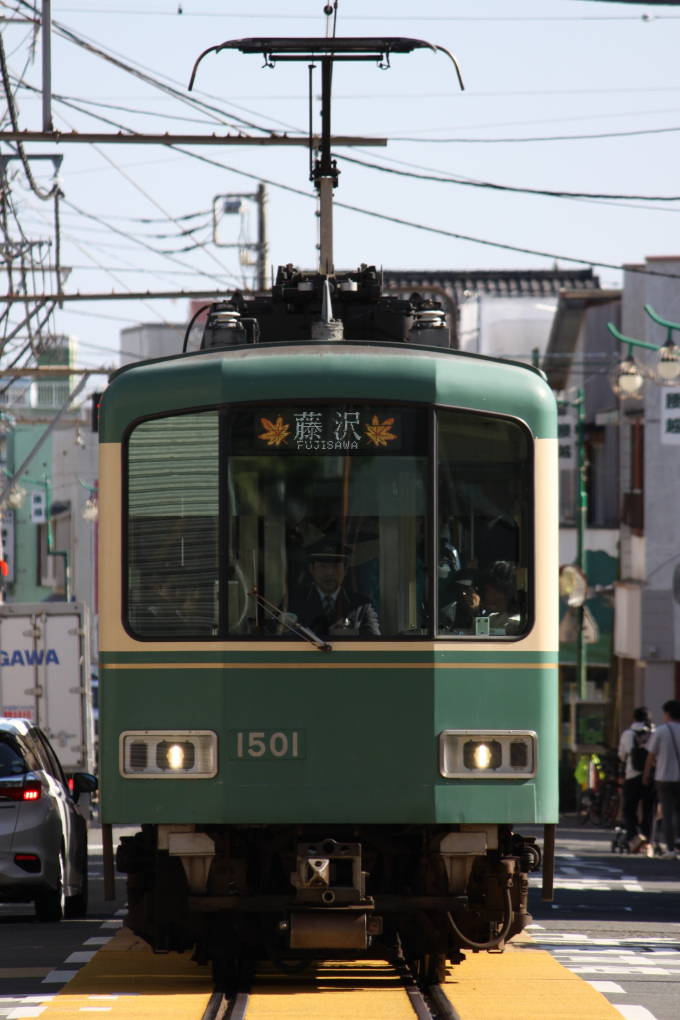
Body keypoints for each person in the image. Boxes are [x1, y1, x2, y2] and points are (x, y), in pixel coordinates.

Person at [285, 538, 380, 637]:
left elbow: (375, 645)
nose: (329, 573)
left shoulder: (362, 606)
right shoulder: (293, 602)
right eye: (322, 566)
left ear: (345, 570)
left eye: (335, 566)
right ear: (311, 569)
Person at [643, 699, 680, 860]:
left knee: (667, 813)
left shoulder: (661, 731)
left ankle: (670, 849)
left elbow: (651, 755)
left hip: (664, 778)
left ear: (667, 714)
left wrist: (645, 773)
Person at [618, 707, 655, 854]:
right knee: (649, 811)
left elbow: (622, 755)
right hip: (651, 776)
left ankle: (635, 835)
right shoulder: (654, 733)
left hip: (632, 776)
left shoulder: (628, 734)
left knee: (629, 809)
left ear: (634, 719)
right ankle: (648, 843)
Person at [482, 561, 521, 635]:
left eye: (491, 583)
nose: (485, 587)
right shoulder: (491, 619)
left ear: (502, 588)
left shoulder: (513, 624)